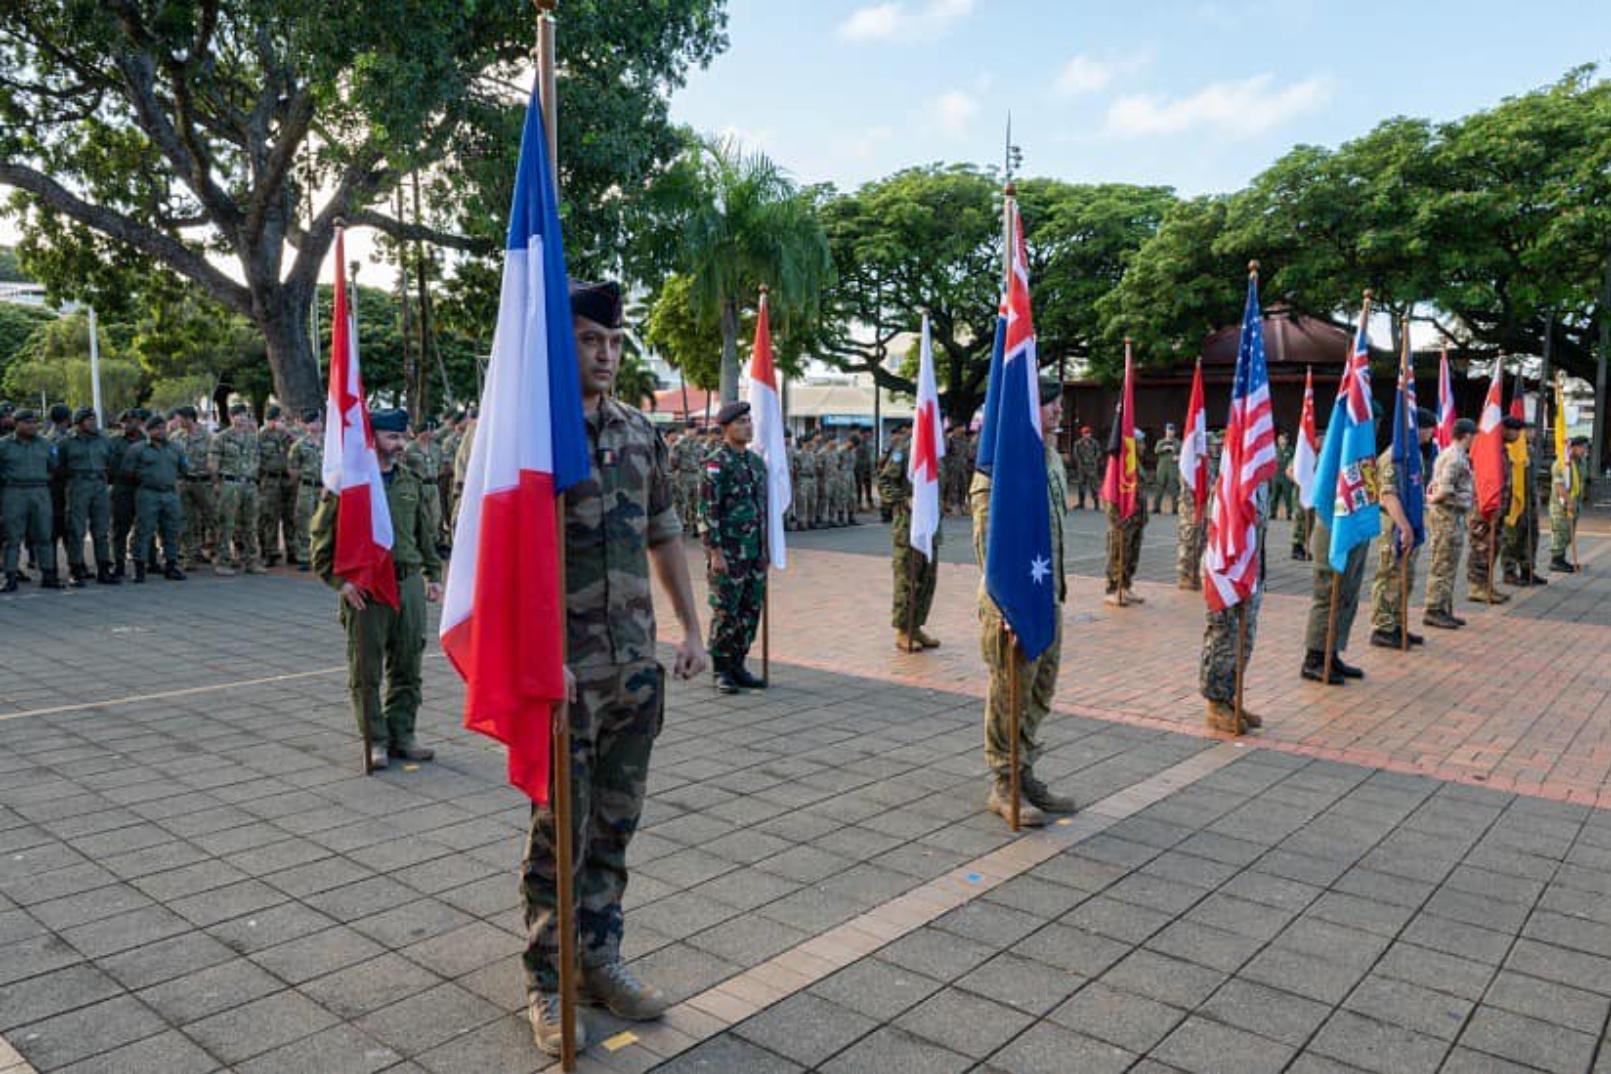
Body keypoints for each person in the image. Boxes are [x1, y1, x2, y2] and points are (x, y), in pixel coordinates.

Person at [520, 280, 706, 1057]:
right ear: (561, 344)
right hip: (561, 673)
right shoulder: (527, 435)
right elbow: (500, 559)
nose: (604, 354)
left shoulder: (638, 432)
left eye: (613, 342)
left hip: (632, 666)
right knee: (558, 833)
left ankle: (600, 958)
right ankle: (547, 980)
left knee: (615, 826)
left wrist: (692, 628)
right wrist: (536, 657)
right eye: (589, 339)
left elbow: (663, 530)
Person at [311, 407, 440, 770]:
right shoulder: (348, 485)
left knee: (408, 665)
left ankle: (403, 734)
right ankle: (376, 740)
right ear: (372, 438)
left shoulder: (409, 481)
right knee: (366, 671)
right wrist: (340, 582)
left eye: (402, 437)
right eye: (392, 437)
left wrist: (434, 575)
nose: (400, 445)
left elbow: (424, 533)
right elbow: (321, 539)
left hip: (408, 583)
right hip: (366, 588)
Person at [971, 380, 1076, 828]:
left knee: (1040, 690)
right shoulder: (1002, 464)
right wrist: (1008, 606)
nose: (1055, 410)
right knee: (1009, 690)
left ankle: (1025, 769)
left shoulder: (1052, 459)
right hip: (1012, 602)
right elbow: (989, 543)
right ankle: (1003, 780)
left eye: (1057, 403)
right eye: (1047, 403)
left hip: (1046, 597)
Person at [701, 400, 768, 694]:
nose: (748, 426)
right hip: (728, 553)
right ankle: (721, 669)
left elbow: (761, 508)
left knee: (750, 609)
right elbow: (707, 511)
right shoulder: (716, 462)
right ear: (726, 427)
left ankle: (739, 663)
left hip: (753, 551)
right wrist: (714, 552)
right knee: (726, 610)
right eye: (741, 422)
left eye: (749, 421)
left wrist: (764, 549)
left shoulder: (755, 463)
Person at [1200, 481, 1271, 734]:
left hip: (1251, 568)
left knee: (1245, 638)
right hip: (1227, 569)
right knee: (1224, 637)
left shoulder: (1261, 479)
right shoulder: (1234, 472)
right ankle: (1215, 703)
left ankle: (1230, 697)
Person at [1368, 408, 1435, 649]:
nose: (1432, 433)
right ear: (1418, 428)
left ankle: (1396, 623)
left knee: (1405, 576)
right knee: (1389, 573)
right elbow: (1387, 495)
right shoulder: (1393, 456)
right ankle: (1382, 626)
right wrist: (1404, 526)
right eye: (1429, 428)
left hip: (1408, 523)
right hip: (1394, 524)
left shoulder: (1412, 455)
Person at [880, 427, 941, 651]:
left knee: (927, 579)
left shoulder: (937, 450)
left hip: (931, 527)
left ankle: (916, 626)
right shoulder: (906, 448)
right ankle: (903, 630)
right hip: (908, 527)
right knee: (908, 578)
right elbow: (885, 482)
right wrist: (905, 500)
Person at [0, 409, 63, 591]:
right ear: (16, 423)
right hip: (14, 491)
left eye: (34, 423)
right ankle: (10, 576)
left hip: (40, 490)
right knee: (12, 537)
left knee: (44, 535)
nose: (31, 426)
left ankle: (49, 575)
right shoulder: (4, 445)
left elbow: (54, 466)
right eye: (27, 422)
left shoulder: (44, 444)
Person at [1467, 415, 1525, 603]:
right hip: (1484, 509)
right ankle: (1476, 586)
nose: (1518, 435)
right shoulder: (1490, 449)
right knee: (1481, 547)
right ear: (1504, 429)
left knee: (1493, 546)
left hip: (1498, 509)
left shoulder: (1502, 450)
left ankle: (1486, 584)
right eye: (1515, 430)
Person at [122, 414, 187, 583]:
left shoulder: (175, 448)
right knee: (144, 531)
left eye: (163, 428)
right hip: (148, 493)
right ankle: (139, 568)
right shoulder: (138, 449)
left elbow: (183, 468)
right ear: (148, 430)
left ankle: (171, 565)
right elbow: (128, 472)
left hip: (170, 493)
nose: (161, 432)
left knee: (171, 530)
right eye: (156, 429)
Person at [58, 407, 118, 586]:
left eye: (93, 419)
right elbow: (59, 466)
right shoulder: (67, 442)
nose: (92, 422)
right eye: (88, 419)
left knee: (101, 529)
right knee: (76, 529)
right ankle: (76, 569)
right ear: (78, 422)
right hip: (78, 484)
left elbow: (110, 461)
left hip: (99, 484)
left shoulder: (104, 440)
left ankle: (104, 568)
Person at [211, 403, 264, 575]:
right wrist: (217, 483)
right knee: (227, 523)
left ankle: (251, 561)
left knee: (250, 524)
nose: (241, 418)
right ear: (231, 417)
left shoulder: (252, 438)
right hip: (230, 483)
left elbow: (257, 460)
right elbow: (213, 464)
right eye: (238, 415)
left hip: (249, 484)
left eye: (244, 415)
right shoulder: (222, 438)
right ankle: (223, 561)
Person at [172, 406, 215, 570]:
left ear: (189, 418)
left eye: (179, 418)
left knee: (214, 517)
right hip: (183, 483)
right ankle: (190, 556)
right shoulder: (176, 438)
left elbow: (214, 460)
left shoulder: (208, 437)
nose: (177, 421)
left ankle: (219, 552)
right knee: (186, 520)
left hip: (204, 483)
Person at [257, 405, 297, 566]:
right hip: (270, 480)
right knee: (270, 516)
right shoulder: (262, 436)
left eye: (282, 419)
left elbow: (299, 446)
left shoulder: (289, 435)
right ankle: (270, 551)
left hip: (288, 479)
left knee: (290, 516)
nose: (280, 422)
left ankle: (292, 550)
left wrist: (287, 432)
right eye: (277, 419)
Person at [107, 410, 145, 577]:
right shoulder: (113, 442)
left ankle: (145, 562)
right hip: (121, 487)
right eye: (126, 422)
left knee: (144, 526)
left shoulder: (146, 441)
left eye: (133, 421)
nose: (129, 425)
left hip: (142, 487)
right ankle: (118, 563)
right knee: (119, 528)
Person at [288, 410, 325, 572]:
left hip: (325, 487)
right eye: (311, 422)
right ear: (305, 425)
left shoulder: (330, 443)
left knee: (324, 521)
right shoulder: (299, 445)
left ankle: (322, 555)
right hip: (307, 486)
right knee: (304, 520)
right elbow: (293, 468)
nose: (315, 425)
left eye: (317, 421)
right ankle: (304, 555)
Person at [403, 419, 445, 557]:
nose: (429, 432)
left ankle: (433, 545)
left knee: (436, 516)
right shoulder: (410, 448)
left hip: (433, 485)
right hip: (419, 485)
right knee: (423, 517)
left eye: (431, 430)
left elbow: (440, 465)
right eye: (427, 429)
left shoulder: (436, 448)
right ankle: (423, 549)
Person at [1550, 437, 1587, 573]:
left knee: (1568, 533)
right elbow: (1560, 486)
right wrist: (1568, 502)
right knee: (1561, 531)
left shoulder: (1580, 462)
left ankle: (1562, 559)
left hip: (1575, 502)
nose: (1584, 451)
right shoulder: (1561, 463)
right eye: (1582, 447)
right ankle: (1556, 561)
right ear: (1573, 447)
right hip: (1561, 504)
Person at [1151, 422, 1181, 514]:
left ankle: (1175, 509)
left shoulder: (1177, 442)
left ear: (1174, 432)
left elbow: (1183, 454)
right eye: (1169, 430)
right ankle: (1156, 508)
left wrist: (1178, 457)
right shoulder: (1161, 442)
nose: (1170, 432)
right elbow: (1156, 451)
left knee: (1174, 488)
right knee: (1159, 488)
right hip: (1162, 468)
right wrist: (1164, 448)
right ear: (1166, 431)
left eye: (1172, 430)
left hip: (1173, 468)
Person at [1071, 425, 1102, 509]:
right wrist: (1079, 462)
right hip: (1082, 467)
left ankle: (1096, 504)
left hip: (1092, 467)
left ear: (1090, 434)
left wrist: (1094, 460)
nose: (1086, 435)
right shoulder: (1078, 443)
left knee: (1094, 486)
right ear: (1082, 434)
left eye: (1088, 433)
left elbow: (1098, 452)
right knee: (1081, 485)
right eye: (1085, 433)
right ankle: (1081, 503)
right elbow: (1075, 454)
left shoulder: (1094, 443)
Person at [1271, 431, 1297, 520]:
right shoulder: (1274, 450)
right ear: (1278, 440)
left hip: (1286, 477)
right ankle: (1272, 513)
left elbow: (1294, 461)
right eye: (1281, 439)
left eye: (1285, 439)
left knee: (1288, 496)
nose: (1283, 440)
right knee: (1274, 496)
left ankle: (1289, 514)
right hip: (1276, 476)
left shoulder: (1291, 450)